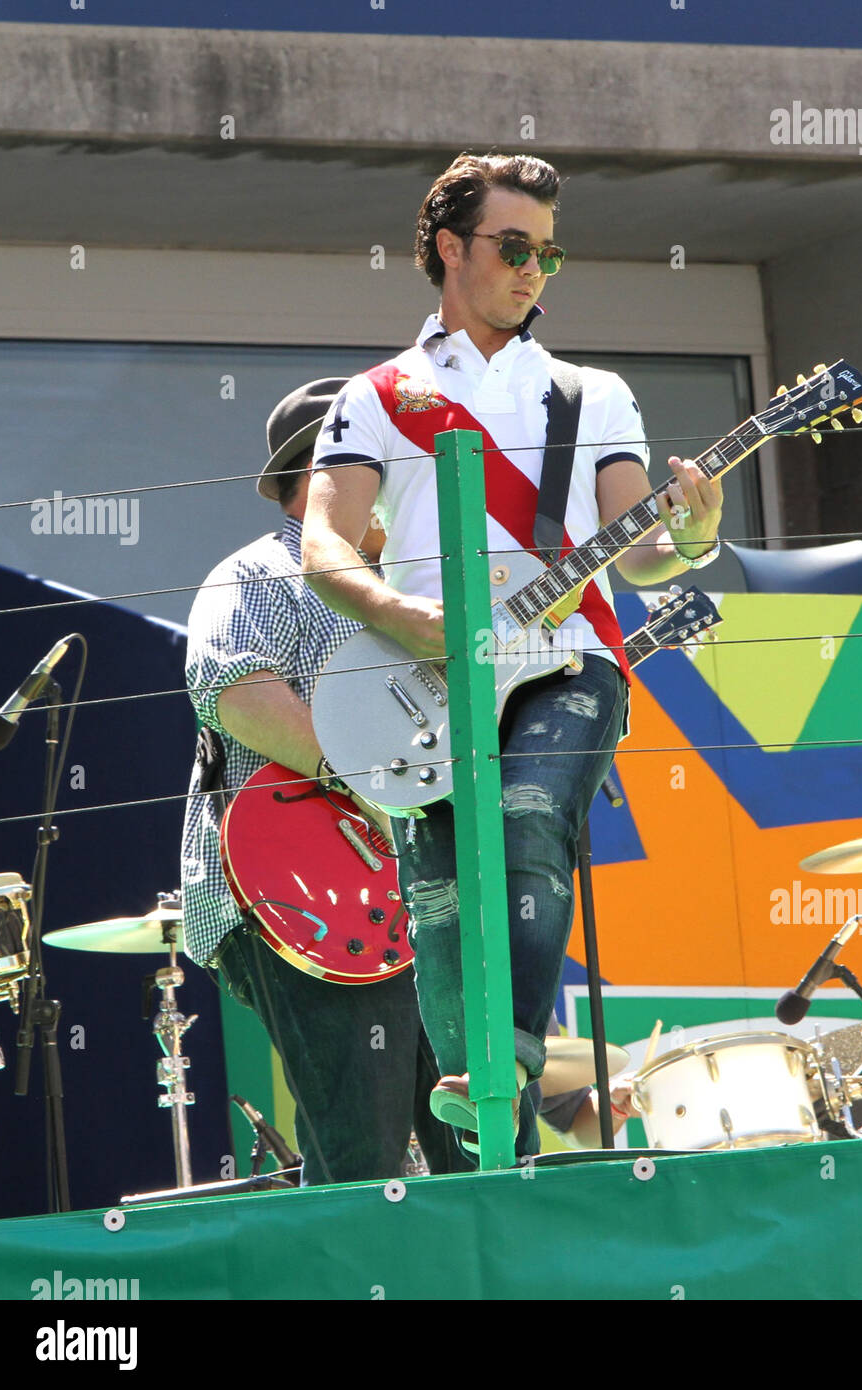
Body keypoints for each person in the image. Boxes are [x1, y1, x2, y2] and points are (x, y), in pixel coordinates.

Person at [301, 152, 723, 1158]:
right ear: (451, 248)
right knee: (441, 889)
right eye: (515, 246)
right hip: (431, 677)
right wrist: (399, 616)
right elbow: (323, 544)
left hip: (572, 654)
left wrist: (697, 535)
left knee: (529, 814)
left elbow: (647, 545)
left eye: (550, 252)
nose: (535, 269)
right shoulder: (375, 396)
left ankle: (515, 1053)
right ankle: (482, 1110)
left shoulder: (592, 394)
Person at [180, 379, 469, 1184]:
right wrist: (370, 788)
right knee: (361, 1154)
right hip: (305, 892)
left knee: (483, 1146)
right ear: (321, 476)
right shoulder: (256, 572)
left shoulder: (416, 587)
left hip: (417, 898)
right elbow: (234, 689)